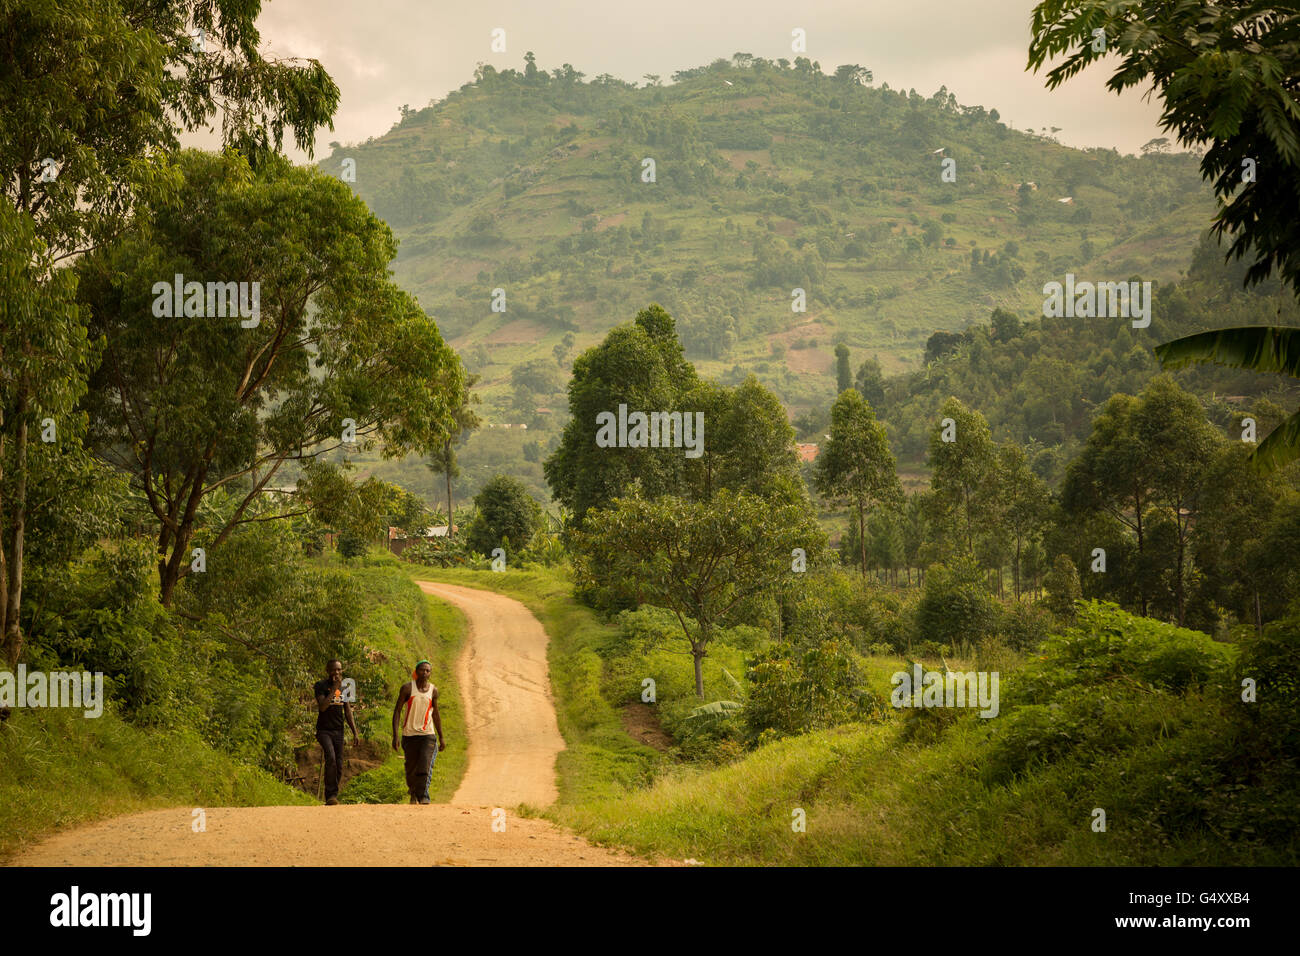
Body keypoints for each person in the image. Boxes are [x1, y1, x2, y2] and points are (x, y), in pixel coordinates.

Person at [392, 659, 445, 805]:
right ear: (416, 672)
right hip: (409, 735)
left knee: (425, 764)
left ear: (430, 673)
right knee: (410, 768)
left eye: (428, 670)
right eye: (422, 670)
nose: (425, 673)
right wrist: (395, 735)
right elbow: (397, 711)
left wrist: (441, 737)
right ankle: (413, 792)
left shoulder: (433, 691)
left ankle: (423, 796)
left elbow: (435, 714)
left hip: (427, 734)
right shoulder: (407, 688)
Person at [313, 659, 359, 806]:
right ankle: (330, 795)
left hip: (338, 731)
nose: (337, 673)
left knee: (339, 764)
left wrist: (355, 732)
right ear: (327, 671)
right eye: (333, 670)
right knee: (331, 758)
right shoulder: (320, 686)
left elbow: (347, 710)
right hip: (324, 731)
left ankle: (334, 794)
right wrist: (334, 688)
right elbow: (322, 707)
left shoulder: (345, 688)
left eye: (339, 670)